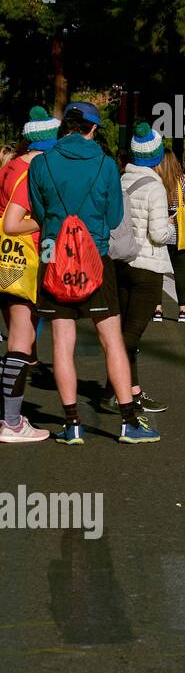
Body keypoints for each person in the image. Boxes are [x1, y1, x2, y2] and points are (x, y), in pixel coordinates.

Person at [27, 102, 159, 444]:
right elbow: (115, 215)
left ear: (65, 127)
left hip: (54, 257)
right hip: (95, 259)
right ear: (93, 129)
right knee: (111, 340)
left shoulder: (41, 163)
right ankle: (129, 422)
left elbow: (40, 211)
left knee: (62, 342)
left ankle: (71, 425)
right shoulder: (105, 164)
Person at [0, 107, 60, 442]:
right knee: (21, 341)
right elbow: (12, 223)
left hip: (4, 257)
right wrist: (47, 220)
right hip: (22, 258)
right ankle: (11, 422)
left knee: (17, 338)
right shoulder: (32, 170)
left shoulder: (10, 166)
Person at [113, 125, 173, 413]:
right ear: (156, 157)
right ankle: (118, 387)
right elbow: (159, 234)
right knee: (131, 335)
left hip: (120, 262)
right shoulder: (155, 187)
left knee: (124, 330)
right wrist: (172, 226)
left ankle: (129, 389)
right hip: (147, 266)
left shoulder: (121, 181)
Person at [151, 150, 185, 324]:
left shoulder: (156, 181)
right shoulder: (182, 180)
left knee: (158, 272)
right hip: (179, 234)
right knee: (180, 273)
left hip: (160, 231)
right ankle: (183, 311)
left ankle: (157, 309)